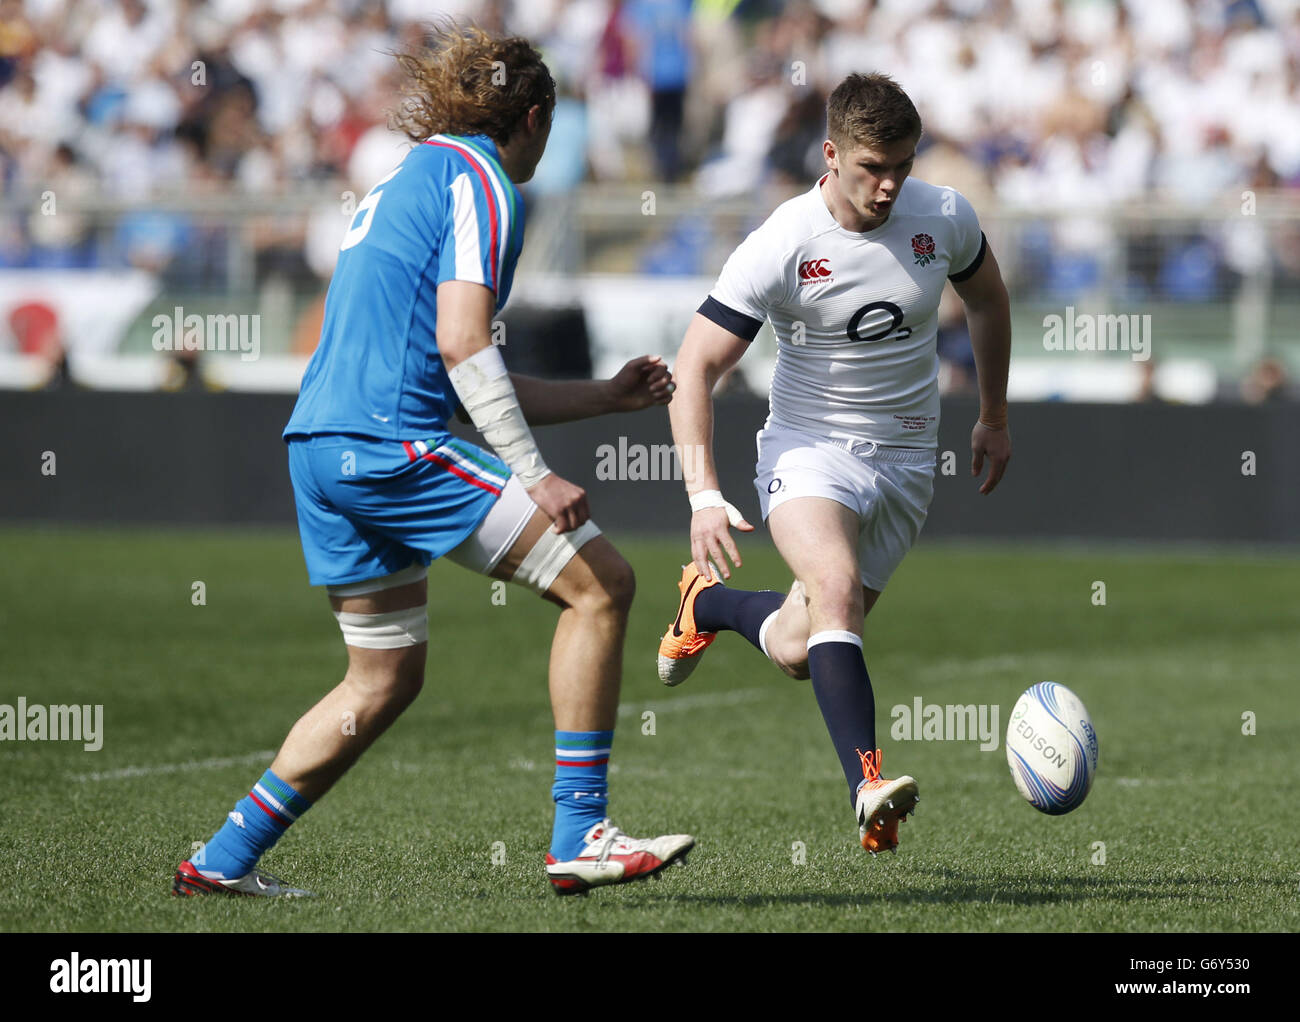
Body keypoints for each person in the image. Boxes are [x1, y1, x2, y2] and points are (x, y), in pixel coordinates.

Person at [173, 23, 693, 899]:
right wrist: (533, 472)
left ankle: (222, 861)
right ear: (532, 117)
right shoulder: (485, 183)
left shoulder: (407, 177)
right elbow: (464, 347)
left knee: (382, 678)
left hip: (323, 446)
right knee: (602, 585)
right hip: (390, 445)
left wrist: (603, 396)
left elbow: (455, 368)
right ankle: (581, 831)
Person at [658, 72, 1012, 856]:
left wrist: (992, 415)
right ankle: (868, 788)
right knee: (837, 590)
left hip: (909, 461)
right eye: (871, 168)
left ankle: (706, 607)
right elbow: (694, 368)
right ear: (831, 155)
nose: (888, 186)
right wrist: (703, 495)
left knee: (797, 644)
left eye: (903, 167)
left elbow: (987, 299)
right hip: (808, 450)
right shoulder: (783, 243)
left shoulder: (944, 216)